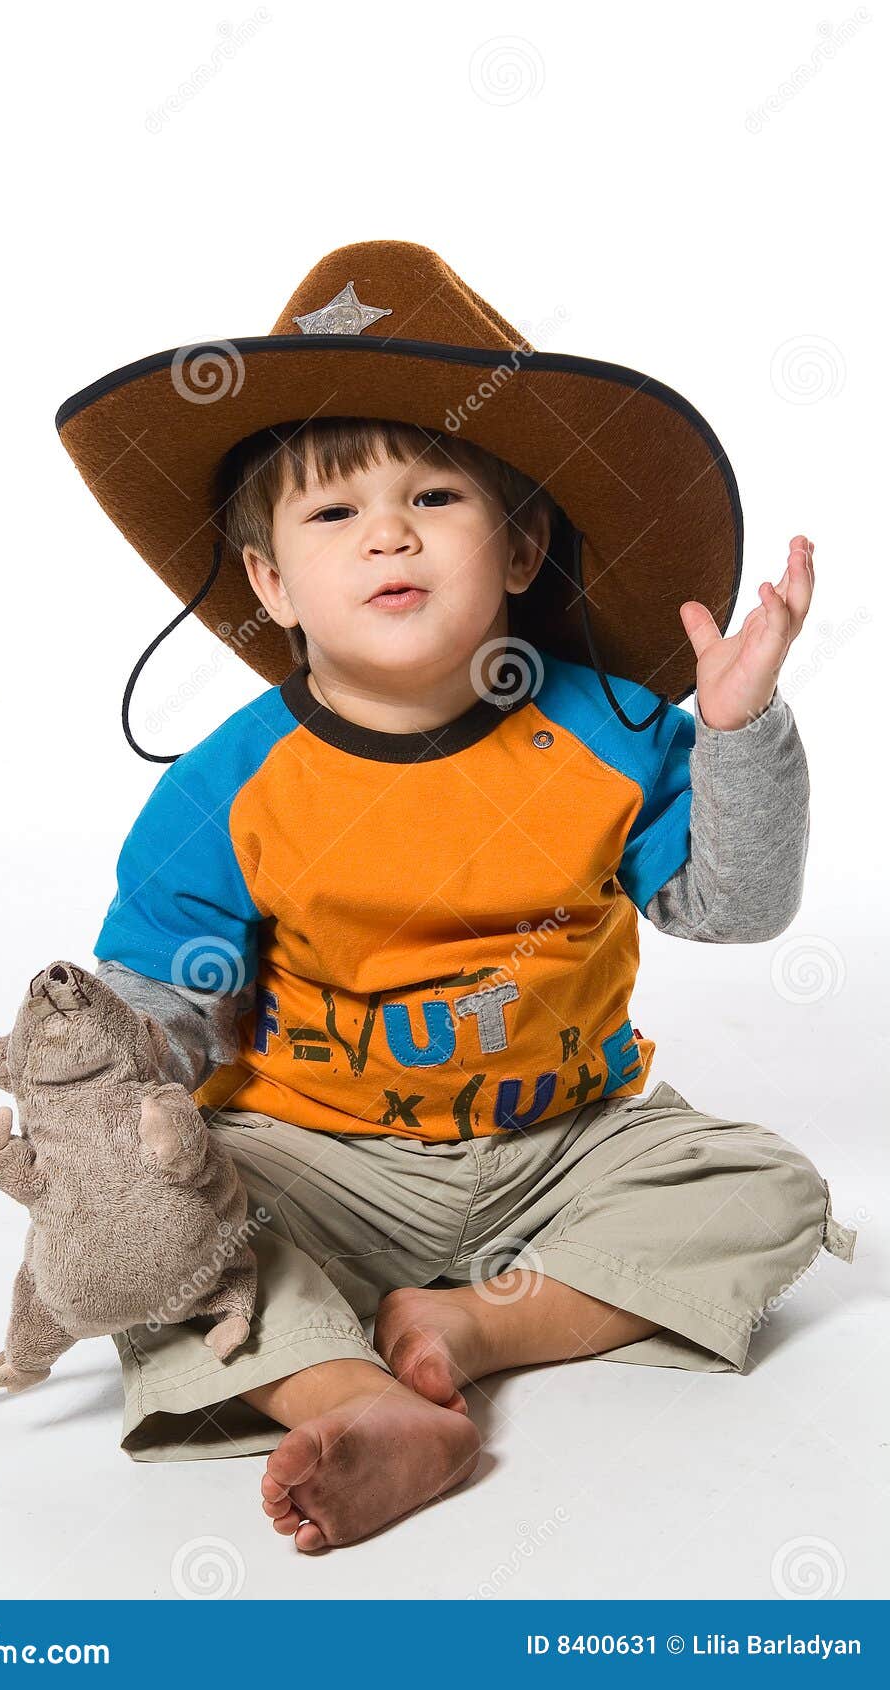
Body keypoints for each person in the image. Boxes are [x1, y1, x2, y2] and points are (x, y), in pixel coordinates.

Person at [55, 241, 856, 1554]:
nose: (387, 531)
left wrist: (740, 728)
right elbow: (167, 996)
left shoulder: (610, 727)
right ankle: (355, 1398)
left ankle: (477, 1325)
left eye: (434, 494)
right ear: (269, 581)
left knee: (764, 1185)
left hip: (563, 1147)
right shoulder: (233, 785)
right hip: (318, 1159)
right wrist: (125, 1098)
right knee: (155, 1231)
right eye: (332, 515)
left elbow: (735, 905)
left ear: (523, 542)